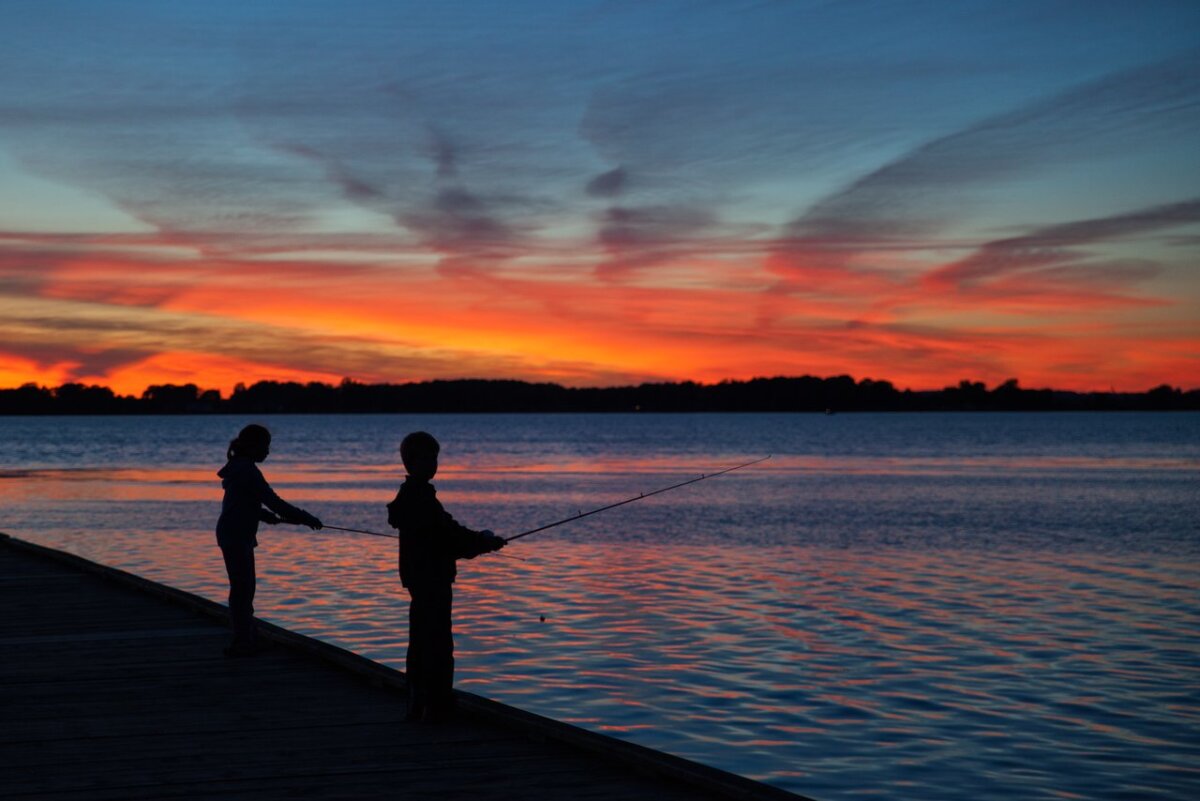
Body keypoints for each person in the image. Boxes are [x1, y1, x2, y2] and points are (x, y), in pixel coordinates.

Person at [387, 431, 505, 722]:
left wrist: (478, 540)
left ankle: (417, 702)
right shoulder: (422, 498)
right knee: (438, 643)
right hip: (432, 578)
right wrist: (482, 542)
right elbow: (448, 537)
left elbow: (447, 530)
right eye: (427, 458)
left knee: (421, 641)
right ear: (412, 461)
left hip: (418, 578)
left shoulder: (412, 495)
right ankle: (436, 705)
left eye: (435, 458)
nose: (433, 463)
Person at [216, 423, 322, 657]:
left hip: (237, 533)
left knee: (244, 588)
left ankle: (246, 636)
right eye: (265, 446)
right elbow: (273, 501)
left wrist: (264, 516)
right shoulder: (248, 471)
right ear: (252, 446)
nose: (268, 452)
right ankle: (242, 641)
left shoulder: (241, 468)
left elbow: (244, 501)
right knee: (242, 589)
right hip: (235, 535)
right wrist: (305, 517)